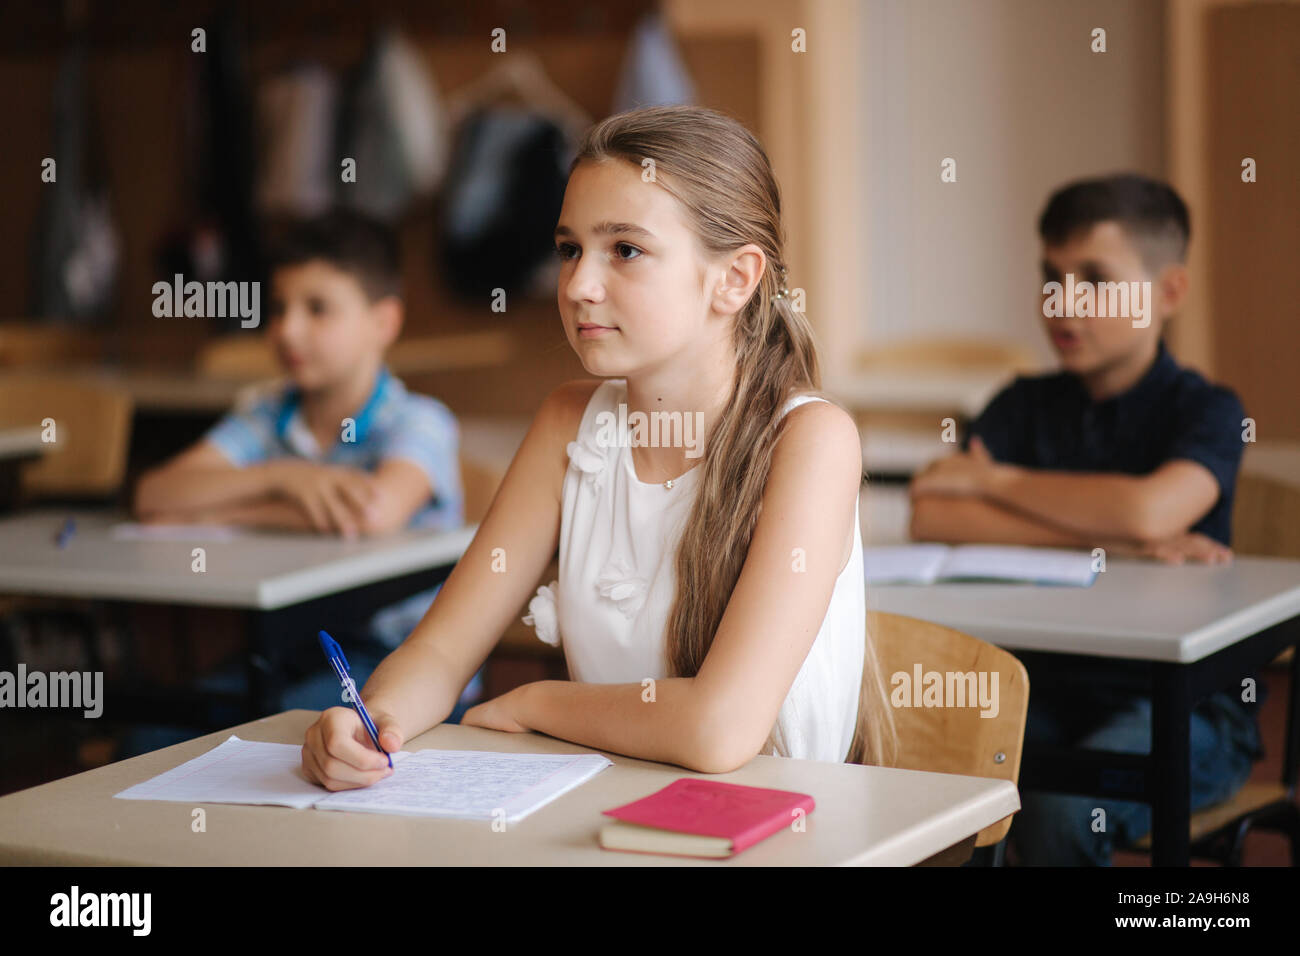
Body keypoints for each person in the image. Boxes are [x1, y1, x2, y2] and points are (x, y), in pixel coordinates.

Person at [301, 105, 898, 791]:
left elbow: (718, 728)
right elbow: (439, 648)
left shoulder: (810, 440)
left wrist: (536, 702)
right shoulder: (566, 420)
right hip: (605, 821)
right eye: (569, 249)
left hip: (776, 831)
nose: (579, 285)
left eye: (626, 250)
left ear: (734, 279)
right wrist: (371, 720)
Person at [909, 174, 1259, 865]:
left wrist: (998, 482)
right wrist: (1125, 537)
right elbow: (934, 514)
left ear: (1169, 293)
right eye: (1052, 275)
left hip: (1188, 710)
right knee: (940, 763)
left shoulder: (1208, 408)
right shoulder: (1020, 402)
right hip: (1045, 683)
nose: (1062, 302)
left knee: (1061, 810)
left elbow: (1153, 507)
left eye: (1095, 279)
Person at [132, 209, 480, 730]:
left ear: (383, 322)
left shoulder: (418, 421)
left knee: (267, 735)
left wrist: (222, 507)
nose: (288, 330)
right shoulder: (268, 414)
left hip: (402, 662)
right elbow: (156, 496)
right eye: (278, 308)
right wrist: (283, 478)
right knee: (151, 735)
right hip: (291, 645)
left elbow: (370, 514)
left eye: (317, 309)